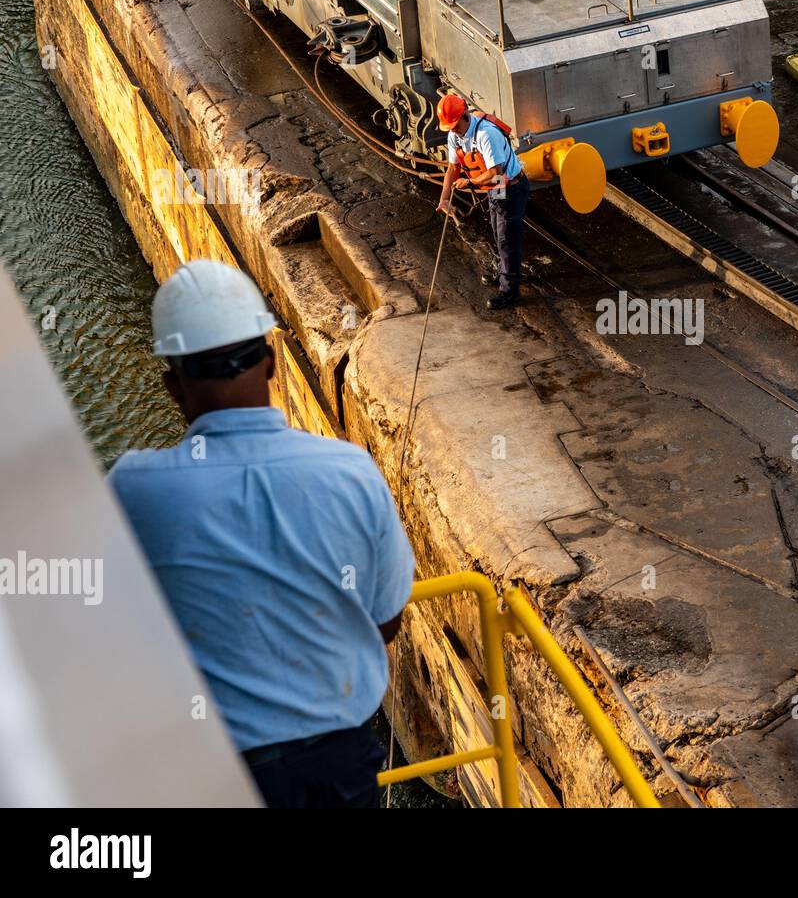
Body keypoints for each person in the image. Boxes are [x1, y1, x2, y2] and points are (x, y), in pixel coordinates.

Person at [108, 259, 415, 807]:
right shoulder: (351, 471)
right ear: (271, 362)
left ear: (173, 386)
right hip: (338, 770)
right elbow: (386, 619)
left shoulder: (132, 492)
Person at [435, 93, 530, 310]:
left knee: (508, 239)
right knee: (498, 232)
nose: (452, 129)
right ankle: (505, 272)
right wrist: (444, 198)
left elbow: (494, 172)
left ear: (465, 116)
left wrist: (469, 182)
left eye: (455, 125)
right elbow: (452, 168)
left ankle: (510, 291)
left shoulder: (486, 135)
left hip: (511, 188)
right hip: (496, 187)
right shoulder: (454, 136)